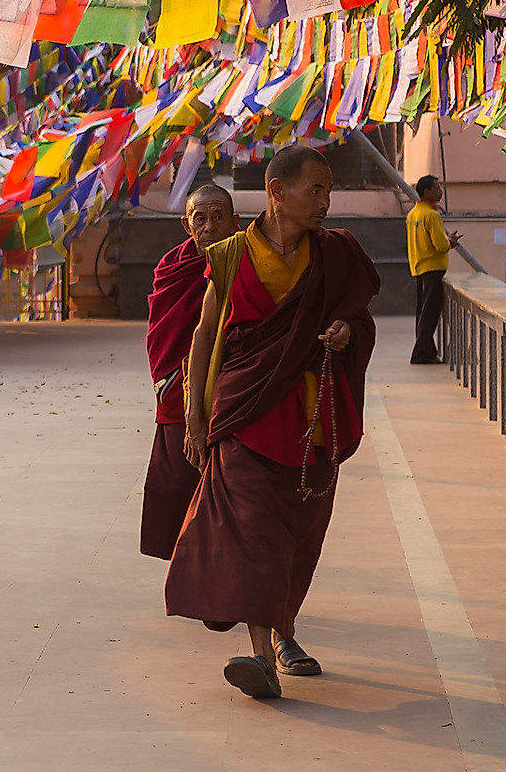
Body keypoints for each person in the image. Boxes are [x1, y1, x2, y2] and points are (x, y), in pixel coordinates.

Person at [164, 147, 380, 699]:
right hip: (243, 413)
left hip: (310, 414)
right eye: (317, 191)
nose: (326, 203)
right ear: (278, 193)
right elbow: (204, 335)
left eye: (329, 192)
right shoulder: (232, 254)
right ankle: (261, 654)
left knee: (299, 531)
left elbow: (357, 315)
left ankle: (285, 632)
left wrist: (346, 332)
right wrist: (194, 418)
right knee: (254, 530)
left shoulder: (334, 254)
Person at [141, 184, 240, 560]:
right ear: (187, 225)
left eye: (218, 218)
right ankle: (188, 560)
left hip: (231, 387)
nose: (209, 227)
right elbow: (162, 333)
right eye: (200, 219)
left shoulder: (245, 259)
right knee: (177, 485)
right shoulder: (173, 267)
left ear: (235, 222)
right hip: (179, 387)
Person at [405, 175, 462, 364]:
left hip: (418, 267)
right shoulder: (432, 215)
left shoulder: (414, 213)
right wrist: (450, 242)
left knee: (423, 311)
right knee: (430, 313)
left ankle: (427, 351)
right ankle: (420, 353)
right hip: (433, 268)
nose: (440, 191)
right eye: (437, 188)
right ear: (427, 192)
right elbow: (440, 245)